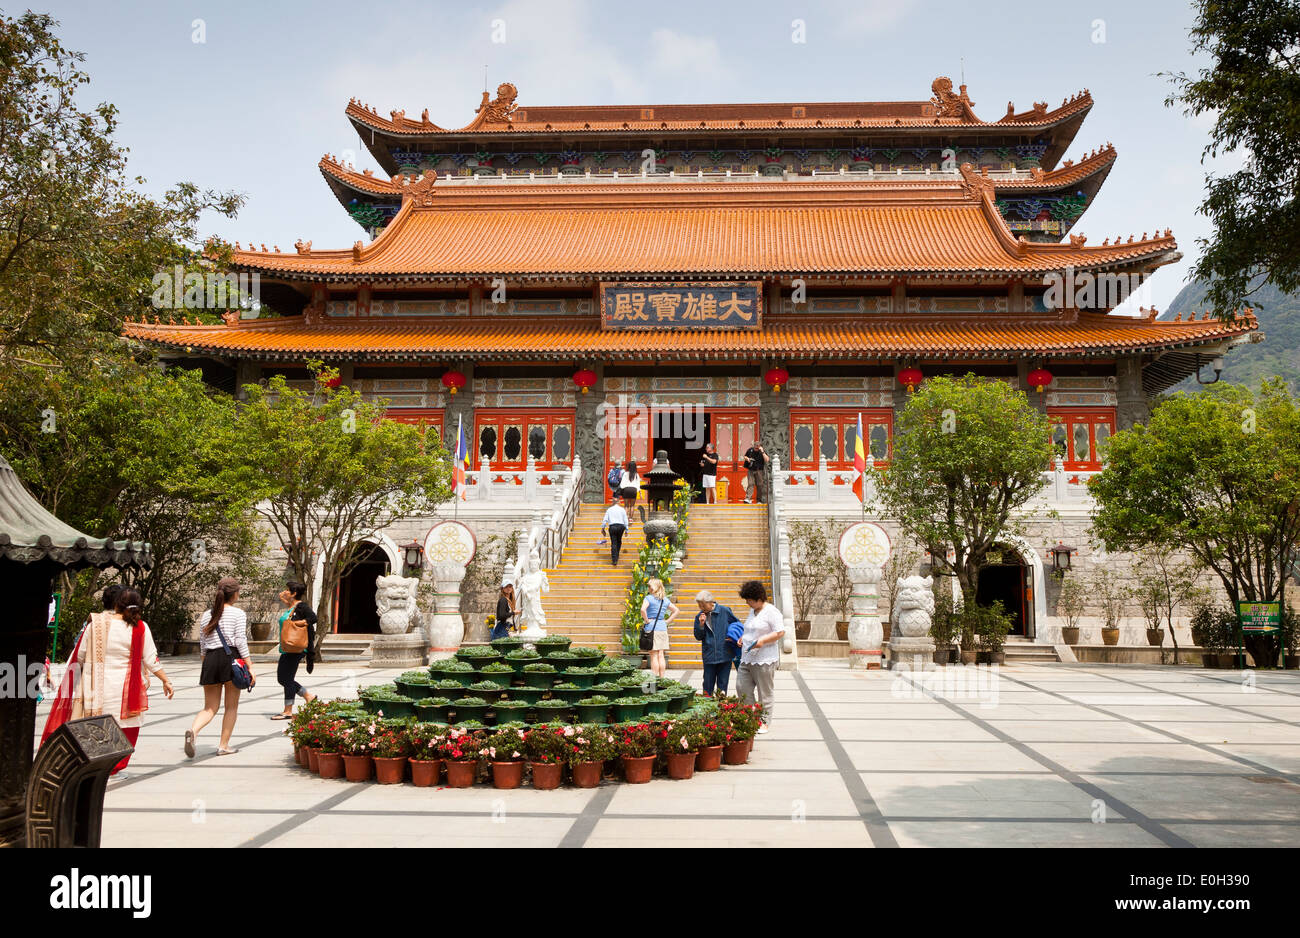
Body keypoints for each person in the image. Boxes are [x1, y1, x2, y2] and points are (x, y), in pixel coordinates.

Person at [41, 587, 175, 778]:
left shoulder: (95, 625)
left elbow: (79, 657)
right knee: (125, 728)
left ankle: (95, 765)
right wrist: (166, 680)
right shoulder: (140, 627)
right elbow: (151, 659)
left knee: (96, 727)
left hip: (96, 686)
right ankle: (114, 767)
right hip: (126, 689)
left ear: (117, 604)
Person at [187, 577, 255, 758]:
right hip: (230, 658)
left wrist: (205, 663)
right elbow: (240, 640)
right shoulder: (238, 613)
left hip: (210, 659)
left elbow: (203, 642)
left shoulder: (207, 614)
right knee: (231, 707)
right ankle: (223, 745)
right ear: (234, 594)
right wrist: (249, 665)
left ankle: (193, 731)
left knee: (209, 708)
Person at [736, 579, 784, 733]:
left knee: (765, 692)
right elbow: (751, 629)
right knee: (741, 687)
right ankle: (752, 718)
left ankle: (764, 722)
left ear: (758, 598)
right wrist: (743, 638)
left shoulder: (772, 612)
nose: (747, 603)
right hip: (747, 657)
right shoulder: (753, 610)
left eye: (749, 600)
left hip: (764, 659)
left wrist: (762, 640)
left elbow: (780, 632)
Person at [271, 580, 317, 720]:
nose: (284, 591)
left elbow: (313, 618)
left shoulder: (302, 606)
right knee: (283, 678)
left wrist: (301, 623)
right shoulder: (293, 607)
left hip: (295, 648)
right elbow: (291, 613)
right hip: (287, 648)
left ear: (294, 593)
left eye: (287, 590)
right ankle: (308, 696)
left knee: (286, 679)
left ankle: (288, 710)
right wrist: (284, 599)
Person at [692, 590, 742, 694]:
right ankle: (708, 708)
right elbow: (698, 636)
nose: (702, 608)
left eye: (703, 605)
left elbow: (737, 624)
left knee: (722, 687)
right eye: (699, 606)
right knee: (707, 686)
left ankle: (722, 708)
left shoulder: (724, 611)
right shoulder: (699, 616)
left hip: (725, 654)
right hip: (709, 656)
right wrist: (701, 625)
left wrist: (734, 636)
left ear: (711, 602)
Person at [640, 578, 678, 678]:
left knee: (653, 655)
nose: (648, 588)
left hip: (652, 628)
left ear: (654, 588)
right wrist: (667, 621)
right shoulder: (664, 600)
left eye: (649, 586)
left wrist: (647, 620)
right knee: (661, 654)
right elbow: (676, 611)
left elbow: (642, 610)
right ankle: (662, 678)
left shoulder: (648, 598)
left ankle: (654, 678)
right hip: (662, 628)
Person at [601, 497, 630, 565]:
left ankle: (614, 559)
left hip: (613, 526)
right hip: (621, 526)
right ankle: (616, 554)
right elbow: (625, 519)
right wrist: (626, 529)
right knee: (619, 541)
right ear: (619, 502)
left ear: (612, 502)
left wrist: (603, 528)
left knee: (614, 542)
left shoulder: (609, 509)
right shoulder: (622, 510)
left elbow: (605, 519)